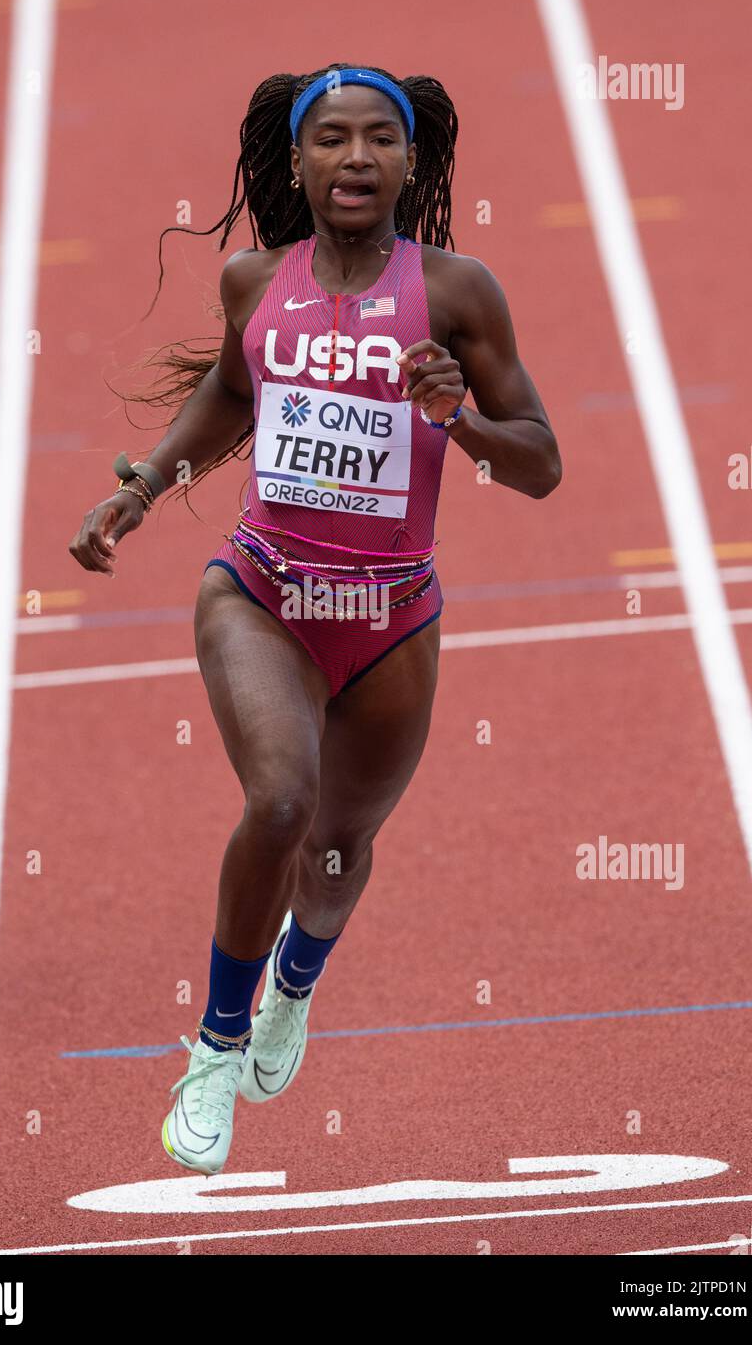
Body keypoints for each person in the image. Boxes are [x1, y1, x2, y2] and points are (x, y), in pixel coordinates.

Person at [69, 63, 561, 1175]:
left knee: (338, 850)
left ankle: (294, 986)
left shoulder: (458, 292)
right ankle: (214, 1046)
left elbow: (542, 463)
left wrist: (465, 424)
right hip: (262, 594)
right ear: (294, 162)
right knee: (282, 799)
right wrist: (141, 491)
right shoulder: (255, 280)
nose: (354, 158)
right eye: (330, 139)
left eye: (378, 138)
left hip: (389, 617)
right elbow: (230, 399)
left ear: (410, 162)